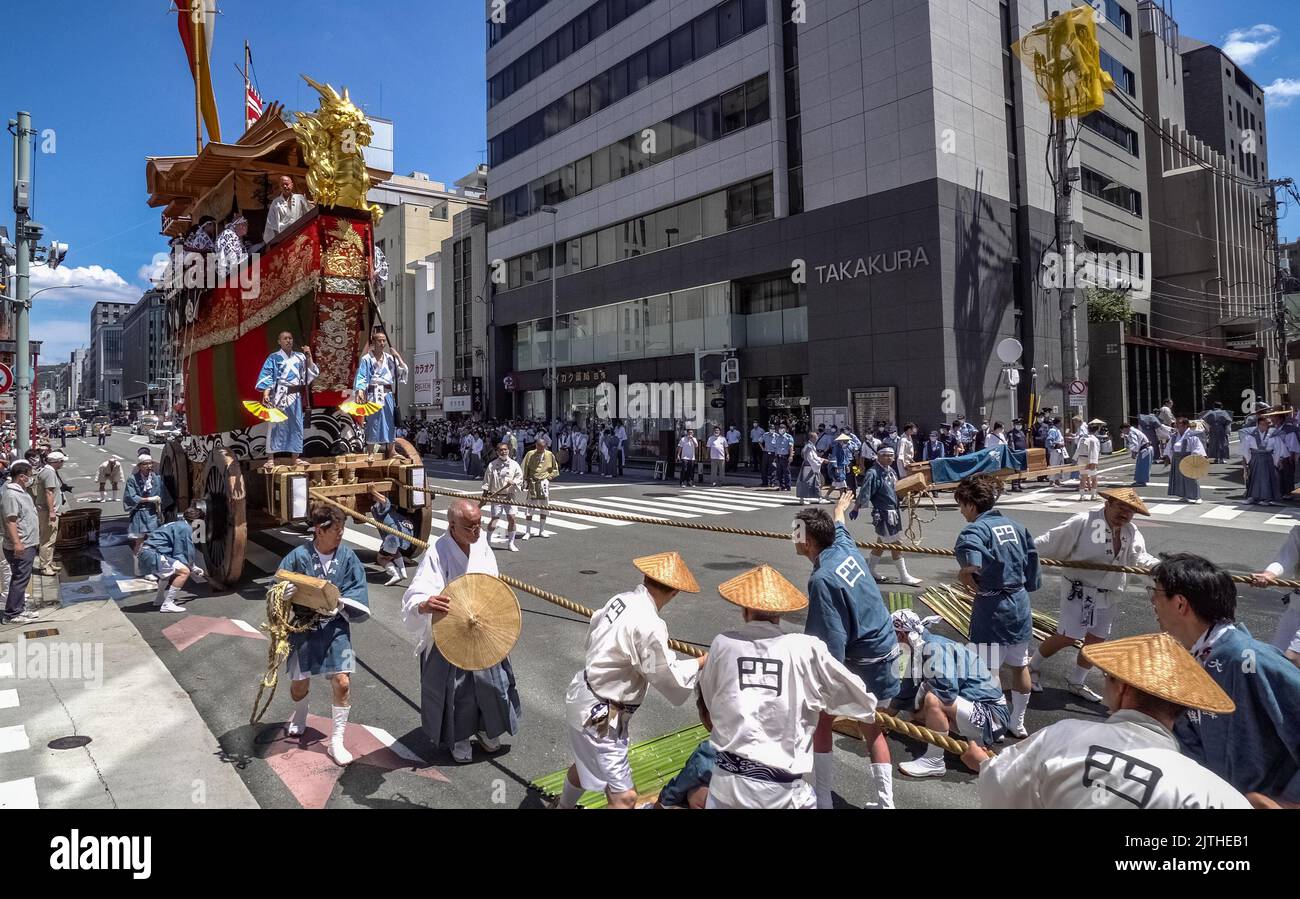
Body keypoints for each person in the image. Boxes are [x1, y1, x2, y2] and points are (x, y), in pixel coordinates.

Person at [970, 632, 1250, 808]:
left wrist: (985, 764)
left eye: (1108, 676)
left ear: (1122, 688)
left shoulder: (1061, 738)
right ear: (1180, 705)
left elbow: (1001, 789)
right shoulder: (1215, 795)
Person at [697, 564, 880, 809]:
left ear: (744, 609)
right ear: (779, 612)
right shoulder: (805, 648)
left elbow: (709, 702)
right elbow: (860, 699)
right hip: (778, 791)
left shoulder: (723, 643)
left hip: (725, 782)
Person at [554, 552, 706, 809]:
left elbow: (594, 633)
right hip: (600, 716)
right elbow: (663, 673)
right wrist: (700, 662)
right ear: (675, 592)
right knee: (624, 798)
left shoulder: (621, 600)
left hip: (584, 693)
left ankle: (562, 807)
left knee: (585, 764)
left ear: (646, 576)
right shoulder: (650, 624)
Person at [1150, 553, 1300, 806]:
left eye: (1155, 593)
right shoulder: (1191, 659)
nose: (1152, 601)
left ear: (1180, 604)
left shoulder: (1251, 660)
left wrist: (1290, 801)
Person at [794, 493, 900, 809]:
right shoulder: (842, 546)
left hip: (863, 662)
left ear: (809, 542)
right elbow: (839, 526)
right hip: (890, 652)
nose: (793, 539)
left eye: (796, 533)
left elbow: (829, 645)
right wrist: (838, 509)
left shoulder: (822, 579)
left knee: (821, 719)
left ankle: (824, 799)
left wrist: (818, 685)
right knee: (873, 728)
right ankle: (886, 803)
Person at [401, 499, 520, 763]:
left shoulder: (482, 545)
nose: (476, 532)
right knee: (457, 692)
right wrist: (424, 603)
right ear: (451, 525)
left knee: (491, 684)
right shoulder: (438, 551)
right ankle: (459, 738)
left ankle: (487, 729)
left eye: (478, 526)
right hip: (450, 631)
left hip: (481, 627)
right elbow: (418, 590)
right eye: (469, 527)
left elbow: (492, 582)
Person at [1029, 488, 1160, 703]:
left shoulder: (1131, 531)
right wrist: (1020, 554)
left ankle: (1077, 681)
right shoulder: (1083, 522)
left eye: (1131, 510)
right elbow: (1047, 542)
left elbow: (1139, 557)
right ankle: (1031, 666)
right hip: (1080, 590)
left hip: (1110, 591)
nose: (1125, 513)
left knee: (1096, 641)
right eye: (1121, 506)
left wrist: (1160, 568)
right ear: (1108, 503)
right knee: (1068, 635)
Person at [278, 504, 370, 766]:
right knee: (299, 684)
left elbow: (358, 589)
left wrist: (343, 603)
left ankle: (337, 740)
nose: (340, 536)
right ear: (319, 530)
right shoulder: (298, 555)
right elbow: (278, 584)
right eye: (336, 531)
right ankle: (300, 712)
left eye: (342, 531)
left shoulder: (348, 557)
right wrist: (283, 592)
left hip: (336, 626)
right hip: (304, 627)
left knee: (342, 682)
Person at [954, 473, 1041, 739]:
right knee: (1019, 666)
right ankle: (1018, 721)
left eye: (961, 505)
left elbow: (970, 550)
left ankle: (995, 724)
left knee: (988, 670)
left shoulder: (976, 528)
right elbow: (1032, 561)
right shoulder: (1016, 525)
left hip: (993, 607)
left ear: (970, 504)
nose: (961, 512)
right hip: (1018, 604)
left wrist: (966, 572)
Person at [889, 609, 1008, 777]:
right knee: (917, 708)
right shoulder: (920, 647)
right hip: (976, 707)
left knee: (933, 700)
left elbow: (946, 691)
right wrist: (883, 719)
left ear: (901, 636)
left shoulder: (934, 648)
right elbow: (906, 693)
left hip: (992, 715)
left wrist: (922, 707)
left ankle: (934, 761)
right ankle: (976, 739)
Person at [851, 445, 921, 586]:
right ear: (878, 456)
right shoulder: (873, 473)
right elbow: (865, 491)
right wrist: (856, 507)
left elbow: (897, 489)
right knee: (896, 544)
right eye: (885, 455)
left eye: (891, 455)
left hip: (893, 511)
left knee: (881, 544)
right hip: (884, 513)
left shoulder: (891, 471)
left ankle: (869, 570)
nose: (889, 458)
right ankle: (904, 575)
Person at [255, 331, 319, 470]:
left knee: (296, 425)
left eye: (290, 338)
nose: (288, 341)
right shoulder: (274, 358)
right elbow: (268, 377)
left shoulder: (300, 357)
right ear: (279, 341)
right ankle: (270, 458)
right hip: (278, 396)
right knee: (275, 425)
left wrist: (309, 356)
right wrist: (266, 394)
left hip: (295, 396)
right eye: (285, 338)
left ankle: (295, 458)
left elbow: (309, 372)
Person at [137, 506, 207, 613]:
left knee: (167, 573)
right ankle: (168, 603)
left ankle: (159, 600)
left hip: (146, 552)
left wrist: (193, 566)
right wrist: (192, 567)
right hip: (153, 554)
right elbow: (184, 551)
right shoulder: (185, 528)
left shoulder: (177, 524)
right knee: (184, 572)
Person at [353, 329, 410, 460]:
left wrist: (398, 356)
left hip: (387, 393)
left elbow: (402, 371)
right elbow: (361, 376)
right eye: (379, 340)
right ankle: (371, 452)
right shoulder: (367, 359)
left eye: (384, 340)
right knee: (373, 422)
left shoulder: (390, 358)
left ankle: (392, 450)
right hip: (374, 393)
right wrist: (360, 390)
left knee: (390, 422)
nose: (382, 343)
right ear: (374, 342)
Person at [1251, 526, 1300, 668]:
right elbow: (1285, 559)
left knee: (1293, 658)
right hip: (1295, 608)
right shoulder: (1299, 532)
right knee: (1274, 658)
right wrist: (1269, 574)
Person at [1, 462, 41, 625]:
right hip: (21, 543)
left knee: (22, 578)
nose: (31, 479)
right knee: (19, 578)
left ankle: (20, 608)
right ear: (22, 477)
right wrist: (17, 543)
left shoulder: (21, 492)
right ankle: (12, 613)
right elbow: (11, 521)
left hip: (28, 541)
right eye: (30, 476)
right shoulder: (11, 494)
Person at [482, 442, 523, 552]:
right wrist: (484, 497)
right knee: (494, 519)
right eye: (501, 450)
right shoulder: (492, 465)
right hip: (497, 496)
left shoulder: (515, 464)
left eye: (505, 449)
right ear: (497, 452)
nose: (503, 451)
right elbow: (486, 482)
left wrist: (513, 482)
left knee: (512, 519)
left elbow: (520, 477)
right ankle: (488, 542)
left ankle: (511, 543)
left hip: (510, 496)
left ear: (508, 450)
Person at [34, 450, 69, 577]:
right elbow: (49, 493)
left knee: (51, 539)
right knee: (47, 539)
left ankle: (48, 563)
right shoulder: (49, 473)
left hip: (45, 510)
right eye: (62, 462)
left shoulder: (47, 470)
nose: (62, 464)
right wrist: (52, 511)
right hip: (47, 511)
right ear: (58, 462)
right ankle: (44, 566)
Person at [368, 488, 413, 586]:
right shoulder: (376, 507)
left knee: (381, 558)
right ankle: (403, 571)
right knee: (395, 552)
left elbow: (384, 500)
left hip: (393, 534)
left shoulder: (380, 505)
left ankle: (395, 574)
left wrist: (373, 491)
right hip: (398, 531)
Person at [1241, 411, 1283, 506]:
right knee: (1253, 478)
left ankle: (1266, 498)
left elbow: (1278, 448)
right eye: (1261, 424)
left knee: (1267, 479)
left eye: (1266, 425)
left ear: (1268, 425)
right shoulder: (1250, 434)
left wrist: (1278, 460)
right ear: (1257, 424)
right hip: (1254, 458)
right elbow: (1245, 448)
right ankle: (1252, 496)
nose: (1263, 427)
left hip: (1268, 458)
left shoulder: (1273, 434)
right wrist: (1247, 460)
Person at [521, 435, 559, 539]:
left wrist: (550, 477)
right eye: (538, 446)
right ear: (536, 445)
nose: (540, 449)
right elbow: (524, 468)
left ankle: (541, 530)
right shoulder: (530, 454)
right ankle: (527, 531)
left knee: (544, 507)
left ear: (545, 446)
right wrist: (524, 481)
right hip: (532, 482)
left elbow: (555, 468)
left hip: (544, 482)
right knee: (530, 507)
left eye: (542, 447)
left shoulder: (549, 454)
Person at [1166, 416, 1206, 504]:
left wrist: (1193, 458)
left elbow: (1197, 448)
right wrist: (1170, 457)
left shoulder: (1192, 435)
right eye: (1176, 424)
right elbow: (1169, 448)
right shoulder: (1174, 436)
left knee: (1191, 477)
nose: (1176, 426)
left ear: (1185, 425)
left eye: (1179, 424)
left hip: (1188, 458)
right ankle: (1184, 495)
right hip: (1176, 459)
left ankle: (1197, 496)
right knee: (1179, 478)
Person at [263, 175, 314, 244]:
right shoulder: (276, 202)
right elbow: (272, 223)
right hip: (284, 238)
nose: (285, 186)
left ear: (292, 185)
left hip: (300, 236)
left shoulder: (300, 198)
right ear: (280, 187)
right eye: (282, 185)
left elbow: (309, 215)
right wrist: (278, 241)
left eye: (287, 184)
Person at [1073, 417, 1100, 501]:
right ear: (1096, 431)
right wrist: (1094, 462)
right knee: (1094, 478)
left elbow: (1078, 449)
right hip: (1091, 459)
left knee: (1083, 478)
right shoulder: (1094, 440)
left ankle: (1082, 496)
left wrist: (1074, 459)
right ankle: (1093, 495)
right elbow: (1095, 452)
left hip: (1081, 458)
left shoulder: (1082, 438)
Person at [796, 433, 826, 505]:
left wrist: (820, 460)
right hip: (810, 466)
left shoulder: (809, 446)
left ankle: (816, 498)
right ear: (812, 438)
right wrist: (821, 461)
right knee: (810, 482)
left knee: (811, 482)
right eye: (816, 437)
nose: (817, 438)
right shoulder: (809, 447)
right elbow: (811, 459)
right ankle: (816, 498)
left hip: (809, 466)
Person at [1119, 421, 1152, 487]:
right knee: (1141, 466)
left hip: (1144, 449)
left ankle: (1141, 482)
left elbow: (1135, 443)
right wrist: (1126, 436)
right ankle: (1140, 481)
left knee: (1143, 466)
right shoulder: (1133, 431)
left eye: (1122, 431)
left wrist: (1134, 452)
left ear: (1125, 428)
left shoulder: (1132, 432)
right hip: (1145, 449)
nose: (1123, 432)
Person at [770, 422, 795, 492]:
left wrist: (791, 456)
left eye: (782, 428)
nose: (780, 429)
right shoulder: (777, 437)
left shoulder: (789, 437)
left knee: (786, 472)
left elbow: (791, 447)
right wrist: (774, 457)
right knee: (779, 472)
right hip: (778, 457)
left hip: (785, 457)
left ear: (785, 429)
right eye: (780, 428)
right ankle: (781, 486)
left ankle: (788, 486)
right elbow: (775, 448)